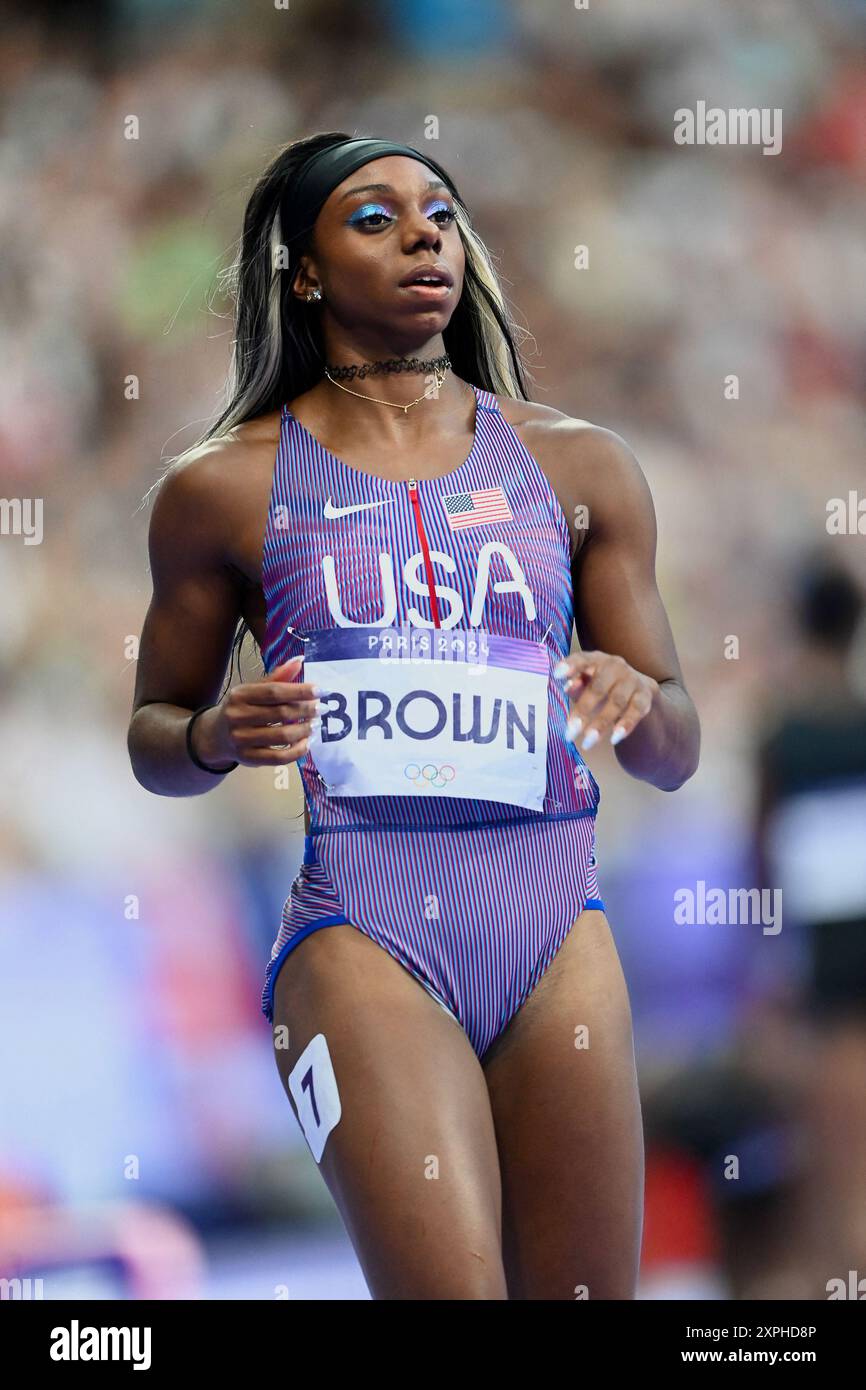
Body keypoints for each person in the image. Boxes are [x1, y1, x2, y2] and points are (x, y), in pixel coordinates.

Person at [127, 133, 700, 1300]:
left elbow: (674, 749)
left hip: (556, 928)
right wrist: (214, 736)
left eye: (437, 210)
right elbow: (153, 737)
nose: (423, 233)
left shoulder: (580, 467)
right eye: (374, 218)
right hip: (362, 932)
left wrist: (636, 700)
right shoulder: (221, 486)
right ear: (303, 271)